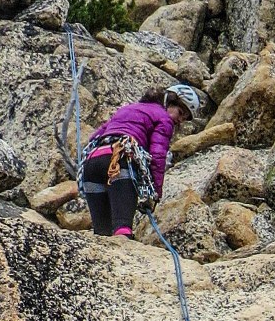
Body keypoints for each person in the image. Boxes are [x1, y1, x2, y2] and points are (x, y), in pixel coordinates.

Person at [80, 83, 204, 238]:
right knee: (122, 229)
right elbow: (158, 156)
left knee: (101, 234)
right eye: (180, 113)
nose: (179, 120)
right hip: (120, 161)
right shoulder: (164, 119)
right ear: (169, 102)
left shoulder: (127, 109)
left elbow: (96, 136)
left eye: (184, 119)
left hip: (92, 164)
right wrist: (155, 194)